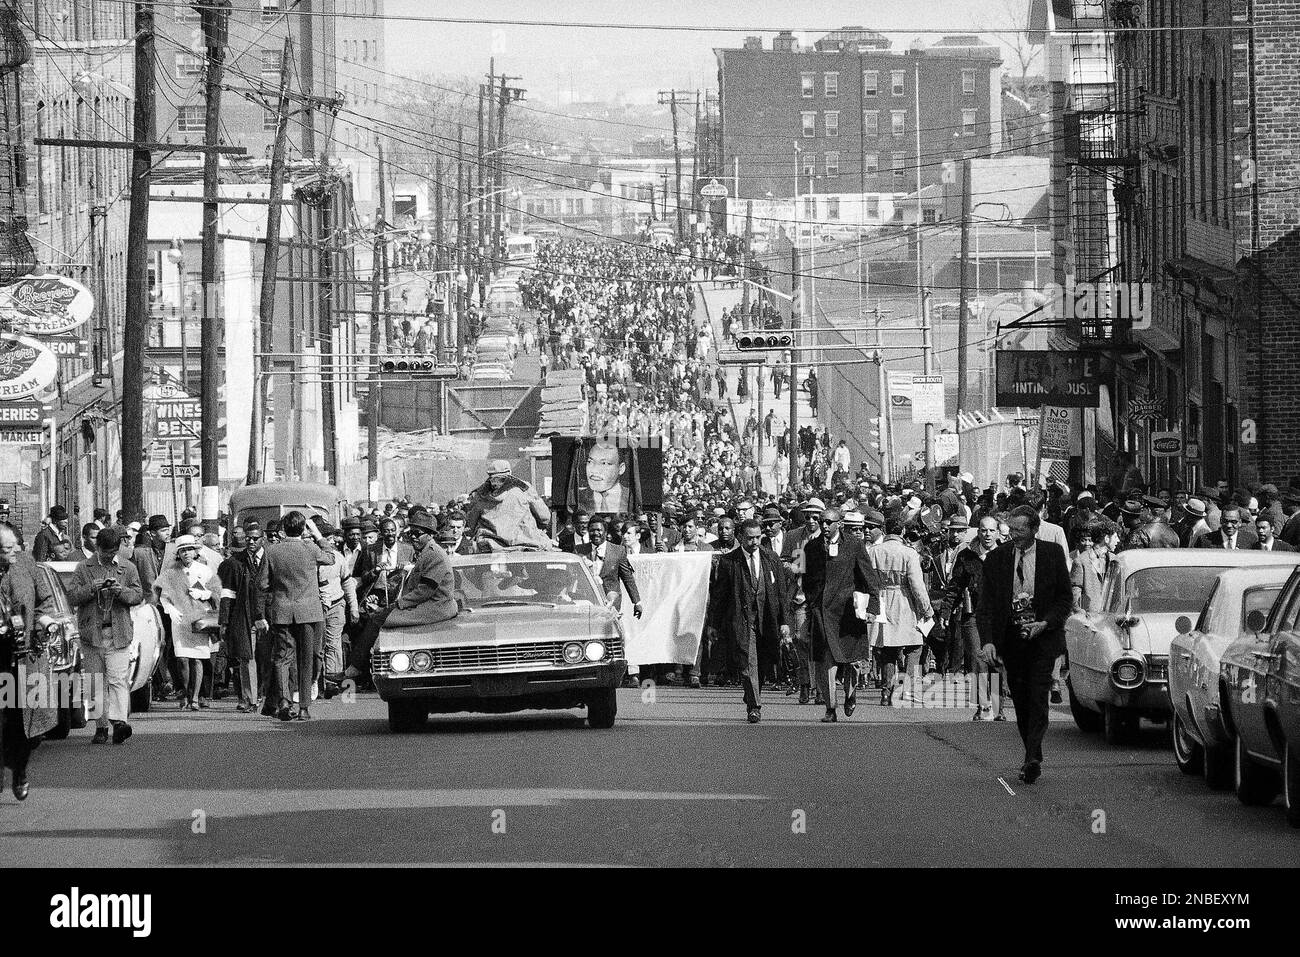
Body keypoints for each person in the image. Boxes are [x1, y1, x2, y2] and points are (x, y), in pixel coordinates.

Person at [976, 505, 1073, 785]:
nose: (1014, 536)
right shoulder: (997, 558)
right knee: (1020, 697)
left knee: (1037, 694)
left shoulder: (1052, 554)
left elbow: (1064, 599)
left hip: (1043, 637)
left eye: (1020, 530)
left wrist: (1045, 623)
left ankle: (1032, 757)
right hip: (1012, 639)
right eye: (1011, 530)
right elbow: (986, 606)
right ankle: (1033, 751)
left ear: (1035, 529)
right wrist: (989, 642)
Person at [335, 507, 459, 685]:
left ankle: (356, 669)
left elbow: (425, 590)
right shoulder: (427, 551)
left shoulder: (435, 555)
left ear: (430, 535)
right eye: (411, 534)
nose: (413, 537)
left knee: (379, 619)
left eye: (417, 533)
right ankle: (359, 668)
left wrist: (398, 604)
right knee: (377, 617)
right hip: (427, 605)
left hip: (435, 608)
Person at [67, 527, 144, 747]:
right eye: (106, 551)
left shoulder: (127, 568)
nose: (110, 555)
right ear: (97, 548)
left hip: (117, 631)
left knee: (118, 678)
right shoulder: (84, 568)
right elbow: (72, 597)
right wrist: (91, 588)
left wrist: (121, 591)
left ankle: (120, 723)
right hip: (92, 633)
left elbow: (138, 594)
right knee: (95, 681)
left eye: (114, 551)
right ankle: (100, 726)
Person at [706, 519, 789, 723]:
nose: (754, 542)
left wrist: (784, 621)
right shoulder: (729, 562)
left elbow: (781, 593)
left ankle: (752, 692)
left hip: (766, 618)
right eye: (750, 538)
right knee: (747, 661)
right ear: (741, 537)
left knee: (762, 662)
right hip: (742, 619)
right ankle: (754, 706)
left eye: (757, 537)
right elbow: (719, 596)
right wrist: (713, 624)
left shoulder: (771, 558)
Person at [255, 512, 335, 722]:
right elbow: (331, 557)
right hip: (309, 612)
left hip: (281, 611)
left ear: (283, 528)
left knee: (282, 658)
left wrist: (259, 614)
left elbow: (262, 585)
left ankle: (284, 701)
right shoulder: (311, 548)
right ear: (303, 529)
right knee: (306, 659)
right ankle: (304, 707)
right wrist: (317, 534)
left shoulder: (272, 551)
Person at [801, 508, 876, 722]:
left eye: (828, 523)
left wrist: (872, 608)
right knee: (826, 661)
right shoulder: (811, 547)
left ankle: (850, 694)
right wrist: (813, 602)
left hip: (848, 613)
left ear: (839, 524)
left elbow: (869, 578)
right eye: (822, 522)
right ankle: (830, 708)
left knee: (851, 660)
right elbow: (806, 579)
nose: (824, 526)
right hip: (822, 612)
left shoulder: (854, 544)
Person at [0, 527, 59, 799]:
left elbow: (45, 600)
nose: (13, 552)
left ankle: (20, 769)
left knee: (21, 726)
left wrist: (42, 622)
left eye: (15, 546)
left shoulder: (26, 564)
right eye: (6, 548)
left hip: (21, 657)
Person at [939, 515, 1007, 720]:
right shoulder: (966, 556)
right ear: (978, 532)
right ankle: (982, 706)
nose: (987, 534)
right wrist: (945, 611)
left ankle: (998, 707)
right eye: (983, 530)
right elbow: (955, 587)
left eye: (991, 531)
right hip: (973, 616)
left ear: (997, 533)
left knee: (996, 661)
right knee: (979, 660)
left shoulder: (1007, 555)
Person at [869, 515, 934, 705]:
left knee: (888, 647)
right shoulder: (909, 553)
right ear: (903, 532)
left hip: (881, 599)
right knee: (914, 646)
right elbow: (917, 585)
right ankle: (908, 689)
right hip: (904, 601)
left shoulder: (874, 551)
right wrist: (926, 608)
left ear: (884, 530)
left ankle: (886, 690)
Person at [155, 535, 221, 711]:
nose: (187, 553)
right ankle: (184, 692)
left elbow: (217, 593)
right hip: (180, 619)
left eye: (190, 549)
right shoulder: (170, 572)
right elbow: (164, 597)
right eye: (183, 550)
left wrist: (206, 595)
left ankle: (194, 698)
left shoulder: (205, 570)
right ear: (178, 553)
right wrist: (171, 610)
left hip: (199, 618)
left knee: (197, 659)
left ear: (196, 551)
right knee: (183, 658)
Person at [217, 527, 261, 712]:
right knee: (246, 657)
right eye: (248, 539)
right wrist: (224, 622)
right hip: (244, 615)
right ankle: (249, 699)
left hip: (270, 615)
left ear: (262, 539)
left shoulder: (270, 559)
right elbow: (227, 594)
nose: (251, 542)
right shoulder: (234, 563)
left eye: (255, 538)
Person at [466, 460, 552, 550]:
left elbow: (471, 523)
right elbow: (544, 518)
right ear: (510, 473)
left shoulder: (480, 494)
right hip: (526, 546)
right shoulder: (524, 489)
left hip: (490, 548)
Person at [576, 519, 643, 618]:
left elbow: (627, 578)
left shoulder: (618, 551)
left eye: (599, 530)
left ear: (606, 532)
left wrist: (637, 602)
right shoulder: (579, 550)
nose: (595, 533)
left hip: (611, 604)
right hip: (588, 604)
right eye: (592, 530)